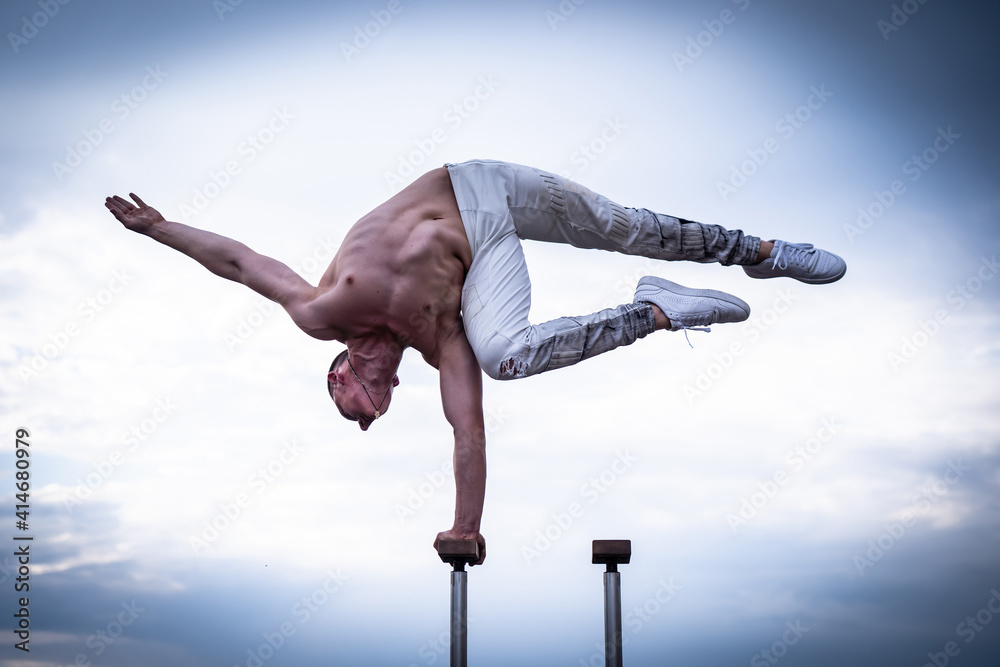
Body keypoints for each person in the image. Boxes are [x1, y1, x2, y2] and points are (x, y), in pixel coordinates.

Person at [105, 158, 845, 565]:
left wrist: (160, 227)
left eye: (368, 394)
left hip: (476, 189)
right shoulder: (442, 341)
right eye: (391, 391)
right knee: (505, 358)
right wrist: (465, 526)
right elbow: (469, 437)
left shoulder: (320, 307)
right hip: (482, 253)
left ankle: (760, 252)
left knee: (620, 224)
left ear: (338, 371)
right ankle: (653, 310)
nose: (387, 386)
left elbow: (239, 262)